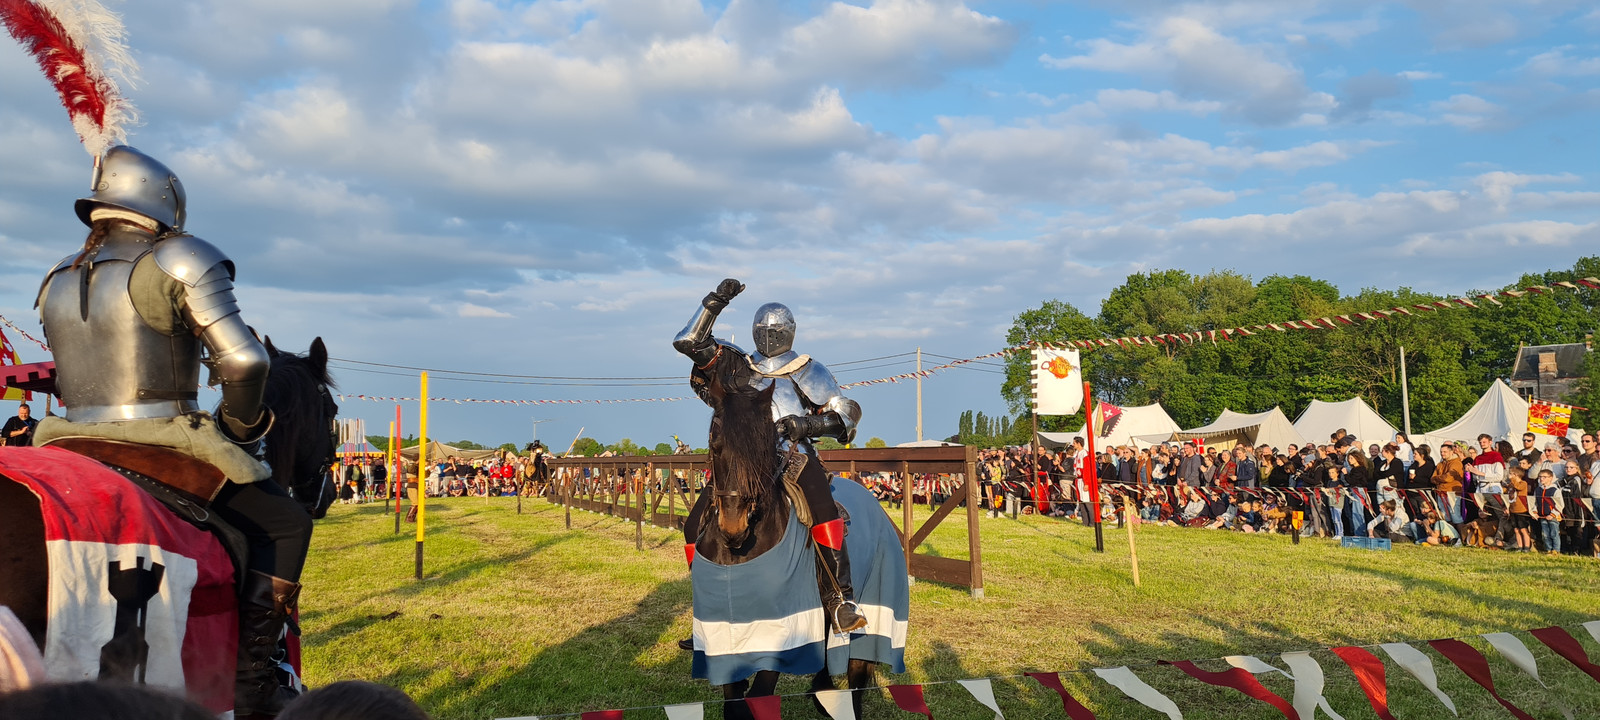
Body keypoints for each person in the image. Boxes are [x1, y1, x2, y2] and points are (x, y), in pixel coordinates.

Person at [32, 146, 308, 715]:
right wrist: (241, 424)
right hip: (160, 435)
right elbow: (246, 362)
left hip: (65, 436)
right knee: (285, 522)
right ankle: (254, 684)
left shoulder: (57, 274)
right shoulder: (180, 258)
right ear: (162, 199)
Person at [673, 279, 867, 634]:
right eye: (763, 331)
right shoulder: (738, 366)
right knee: (693, 524)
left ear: (788, 334)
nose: (768, 337)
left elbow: (847, 414)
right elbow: (688, 342)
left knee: (821, 508)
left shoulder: (809, 369)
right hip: (744, 457)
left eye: (774, 332)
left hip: (794, 453)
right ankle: (707, 602)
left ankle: (839, 599)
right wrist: (715, 302)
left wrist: (807, 424)